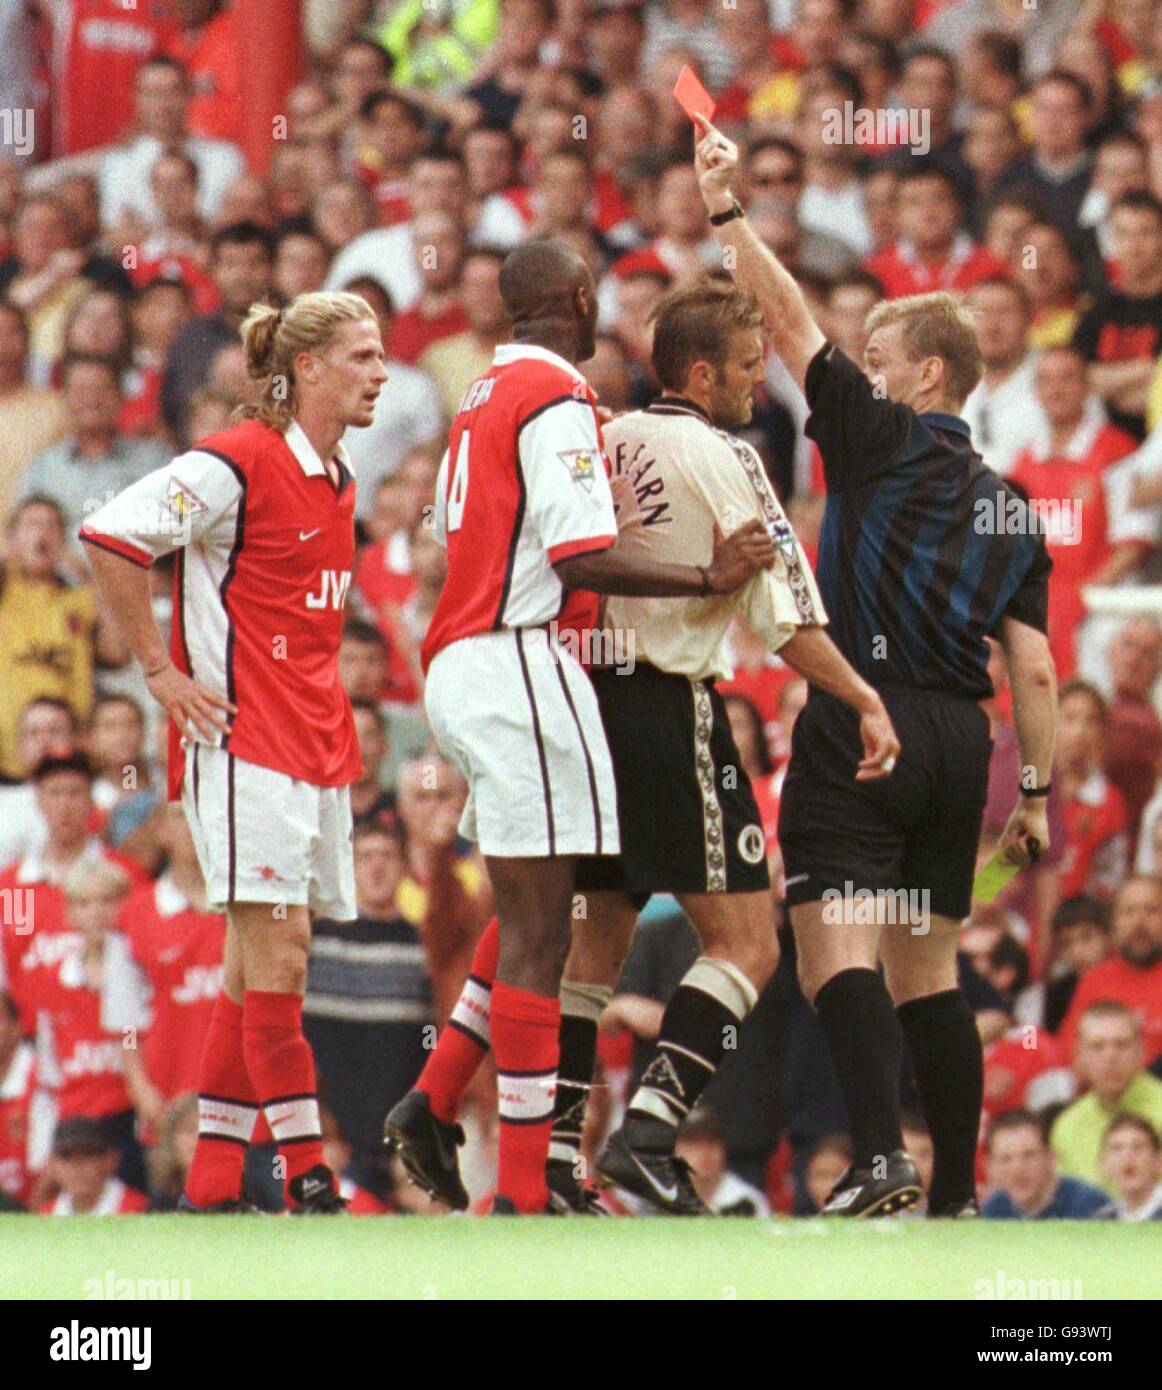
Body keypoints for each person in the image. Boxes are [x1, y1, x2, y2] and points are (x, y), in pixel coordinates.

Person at [695, 115, 1057, 1218]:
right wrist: (1032, 792)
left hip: (866, 716)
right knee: (929, 970)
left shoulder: (878, 434)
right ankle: (952, 1195)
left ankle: (878, 1158)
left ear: (928, 371)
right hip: (962, 738)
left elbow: (788, 317)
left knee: (827, 943)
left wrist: (723, 211)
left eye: (885, 356)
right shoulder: (1013, 503)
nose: (868, 367)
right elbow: (1033, 670)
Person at [388, 237, 775, 1216]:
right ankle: (524, 1183)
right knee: (540, 929)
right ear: (580, 296)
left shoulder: (479, 396)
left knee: (548, 907)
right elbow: (578, 555)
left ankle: (441, 1112)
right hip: (520, 658)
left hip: (466, 659)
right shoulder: (555, 400)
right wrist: (705, 575)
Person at [77, 289, 389, 1213]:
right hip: (241, 738)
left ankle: (210, 1188)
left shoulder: (338, 478)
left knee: (252, 968)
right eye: (362, 357)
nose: (378, 373)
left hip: (313, 743)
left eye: (379, 357)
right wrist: (160, 673)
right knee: (283, 955)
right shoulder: (238, 462)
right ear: (308, 371)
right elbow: (111, 535)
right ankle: (307, 1174)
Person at [1051, 1001, 1162, 1189]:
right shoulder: (1066, 1126)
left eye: (1121, 1045)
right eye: (1097, 1046)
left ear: (1141, 1052)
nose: (1110, 1056)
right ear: (1078, 1056)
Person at [981, 1109, 1109, 1220]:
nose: (1017, 1168)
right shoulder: (992, 1212)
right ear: (991, 1167)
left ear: (1050, 1158)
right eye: (1005, 1159)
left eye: (1029, 1155)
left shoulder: (1092, 1208)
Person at [1098, 1113, 1162, 1220]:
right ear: (1104, 1166)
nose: (1127, 1157)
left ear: (1158, 1163)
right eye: (1116, 1148)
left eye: (1138, 1147)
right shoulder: (1102, 1220)